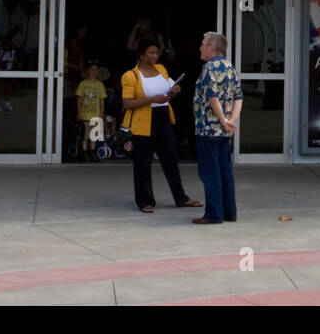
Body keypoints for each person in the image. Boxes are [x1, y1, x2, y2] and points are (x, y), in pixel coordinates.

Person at [121, 37, 201, 213]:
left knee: (170, 158)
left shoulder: (161, 69)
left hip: (163, 117)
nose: (155, 56)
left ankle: (181, 197)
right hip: (143, 121)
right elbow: (127, 103)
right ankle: (145, 200)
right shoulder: (131, 75)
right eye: (151, 53)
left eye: (157, 53)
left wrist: (175, 91)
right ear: (141, 55)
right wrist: (151, 99)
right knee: (143, 161)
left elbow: (169, 88)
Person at [191, 31, 243, 224]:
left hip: (208, 129)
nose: (200, 47)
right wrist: (230, 121)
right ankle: (230, 211)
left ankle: (214, 213)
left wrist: (221, 119)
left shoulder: (209, 68)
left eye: (203, 44)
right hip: (224, 131)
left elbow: (212, 97)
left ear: (211, 48)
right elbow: (239, 97)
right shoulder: (231, 67)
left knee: (210, 172)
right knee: (225, 171)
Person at [74, 63, 107, 162]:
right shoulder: (83, 84)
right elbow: (79, 99)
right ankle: (84, 152)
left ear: (98, 72)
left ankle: (91, 152)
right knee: (85, 135)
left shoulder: (100, 85)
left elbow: (102, 100)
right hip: (85, 115)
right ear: (88, 71)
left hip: (95, 114)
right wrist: (79, 112)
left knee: (93, 136)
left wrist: (101, 113)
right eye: (91, 69)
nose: (93, 71)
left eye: (95, 70)